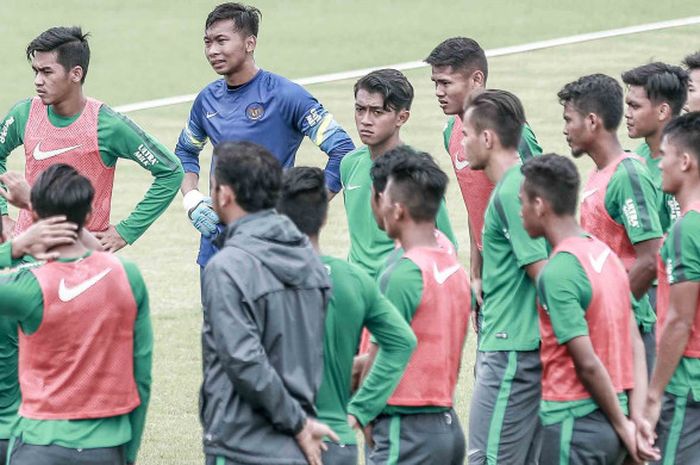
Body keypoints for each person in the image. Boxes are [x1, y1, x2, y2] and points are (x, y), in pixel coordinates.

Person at [175, 2, 355, 270]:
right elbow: (186, 150)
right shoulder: (206, 101)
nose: (212, 51)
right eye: (207, 42)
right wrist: (192, 200)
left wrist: (305, 207)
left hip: (271, 247)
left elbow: (343, 150)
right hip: (216, 247)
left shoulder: (287, 96)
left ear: (250, 43)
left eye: (221, 41)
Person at [0, 164, 152, 465]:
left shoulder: (27, 286)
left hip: (38, 446)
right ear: (88, 215)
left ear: (36, 218)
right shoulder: (126, 276)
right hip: (107, 448)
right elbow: (141, 375)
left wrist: (14, 248)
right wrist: (128, 454)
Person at [200, 141, 336, 465]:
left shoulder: (227, 267)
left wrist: (297, 423)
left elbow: (244, 360)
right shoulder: (311, 262)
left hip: (242, 446)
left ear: (225, 194)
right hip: (296, 448)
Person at [520, 154, 658, 465]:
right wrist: (632, 418)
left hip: (572, 424)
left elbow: (587, 363)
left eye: (522, 202)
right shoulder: (606, 256)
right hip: (611, 423)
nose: (520, 212)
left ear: (540, 205)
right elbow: (635, 342)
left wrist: (625, 425)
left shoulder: (558, 271)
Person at [277, 166, 416, 465]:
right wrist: (362, 409)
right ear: (324, 218)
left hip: (279, 441)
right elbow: (402, 342)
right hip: (338, 440)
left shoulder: (260, 277)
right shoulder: (353, 279)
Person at [0, 26, 184, 252]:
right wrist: (3, 216)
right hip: (29, 255)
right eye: (35, 71)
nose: (38, 80)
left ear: (75, 74)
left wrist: (127, 231)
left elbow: (171, 172)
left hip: (84, 259)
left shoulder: (107, 126)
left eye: (47, 72)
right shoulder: (24, 114)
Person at [367, 145, 470, 465]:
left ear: (393, 204)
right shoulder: (452, 264)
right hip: (445, 424)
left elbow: (380, 357)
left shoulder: (403, 272)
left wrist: (365, 416)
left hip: (405, 429)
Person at [461, 89, 548, 465]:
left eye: (466, 134)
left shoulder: (512, 190)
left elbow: (544, 273)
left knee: (487, 459)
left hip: (510, 346)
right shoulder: (522, 185)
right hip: (523, 345)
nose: (462, 144)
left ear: (487, 138)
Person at [558, 74, 663, 378]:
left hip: (625, 329)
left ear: (592, 121)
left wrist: (610, 312)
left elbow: (650, 257)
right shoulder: (600, 173)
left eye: (569, 120)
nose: (565, 130)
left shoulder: (627, 174)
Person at [425, 37, 542, 307]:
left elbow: (544, 201)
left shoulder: (515, 133)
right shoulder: (451, 133)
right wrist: (475, 269)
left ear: (476, 79)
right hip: (488, 272)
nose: (438, 92)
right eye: (435, 83)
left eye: (445, 83)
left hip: (520, 270)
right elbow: (474, 202)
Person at [340, 68, 456, 278]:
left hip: (397, 287)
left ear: (402, 117)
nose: (365, 120)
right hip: (358, 289)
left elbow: (446, 243)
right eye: (359, 109)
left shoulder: (418, 170)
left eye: (377, 112)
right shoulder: (349, 164)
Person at [644, 112, 700, 465]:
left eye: (664, 155)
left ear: (685, 161)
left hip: (687, 385)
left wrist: (653, 395)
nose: (659, 163)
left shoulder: (685, 230)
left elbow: (680, 321)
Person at [622, 62, 687, 232]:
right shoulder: (639, 154)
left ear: (662, 111)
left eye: (635, 106)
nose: (627, 114)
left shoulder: (683, 169)